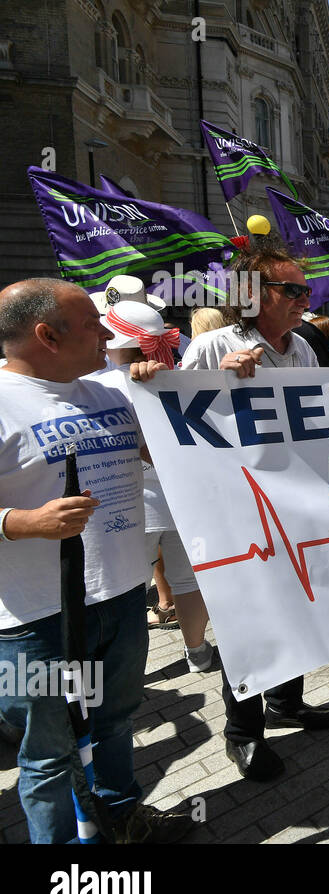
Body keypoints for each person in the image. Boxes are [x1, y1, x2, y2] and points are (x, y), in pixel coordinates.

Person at [0, 278, 193, 842]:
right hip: (39, 619)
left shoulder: (108, 393)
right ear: (47, 336)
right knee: (50, 754)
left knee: (113, 723)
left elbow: (169, 447)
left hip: (123, 594)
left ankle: (122, 816)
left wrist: (194, 387)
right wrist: (22, 522)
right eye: (92, 324)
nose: (107, 333)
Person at [180, 241, 329, 781]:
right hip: (238, 512)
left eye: (305, 289)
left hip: (294, 500)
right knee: (247, 618)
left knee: (299, 605)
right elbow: (171, 415)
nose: (304, 297)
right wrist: (214, 381)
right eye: (291, 289)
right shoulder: (212, 348)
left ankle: (287, 701)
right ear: (252, 294)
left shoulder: (301, 348)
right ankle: (243, 732)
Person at [91, 294, 215, 674]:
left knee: (125, 590)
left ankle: (126, 669)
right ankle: (197, 652)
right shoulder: (179, 379)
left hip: (126, 506)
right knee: (188, 582)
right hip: (182, 500)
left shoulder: (96, 388)